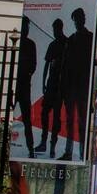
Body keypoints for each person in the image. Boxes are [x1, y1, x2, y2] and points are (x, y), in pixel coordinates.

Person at [60, 7, 93, 161]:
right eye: (76, 19)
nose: (79, 21)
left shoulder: (90, 38)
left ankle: (82, 154)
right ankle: (68, 152)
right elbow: (65, 65)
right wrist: (64, 88)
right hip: (71, 87)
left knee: (82, 121)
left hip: (84, 86)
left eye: (81, 17)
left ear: (84, 19)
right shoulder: (70, 40)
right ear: (73, 21)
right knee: (70, 121)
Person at [35, 18, 65, 158]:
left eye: (55, 29)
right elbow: (47, 65)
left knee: (57, 117)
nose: (54, 32)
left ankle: (52, 146)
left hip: (60, 86)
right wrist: (43, 83)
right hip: (51, 83)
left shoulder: (66, 43)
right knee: (45, 113)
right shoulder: (53, 44)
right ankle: (43, 143)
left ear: (60, 28)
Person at [14, 17, 37, 155]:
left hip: (25, 86)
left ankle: (31, 148)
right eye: (25, 27)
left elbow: (33, 64)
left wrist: (27, 73)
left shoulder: (30, 44)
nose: (26, 30)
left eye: (27, 27)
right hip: (15, 85)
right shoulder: (17, 43)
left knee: (27, 119)